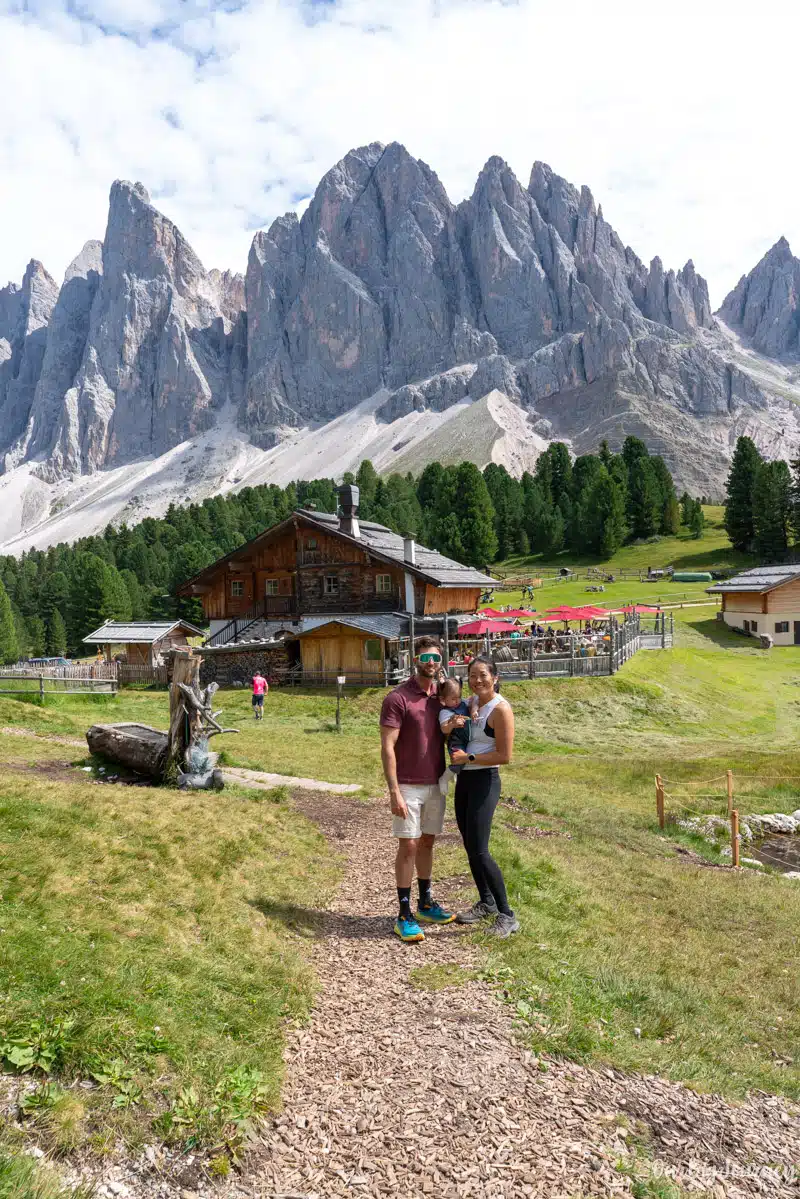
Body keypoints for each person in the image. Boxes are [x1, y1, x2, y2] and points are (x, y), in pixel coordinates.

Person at [380, 636, 456, 943]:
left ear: (442, 661)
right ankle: (403, 913)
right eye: (425, 659)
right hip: (408, 784)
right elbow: (387, 747)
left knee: (427, 842)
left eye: (436, 659)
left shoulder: (443, 696)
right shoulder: (397, 698)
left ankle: (425, 902)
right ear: (415, 661)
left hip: (435, 783)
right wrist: (393, 791)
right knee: (408, 845)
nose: (431, 664)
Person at [449, 656, 519, 937]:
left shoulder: (501, 710)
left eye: (483, 675)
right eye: (472, 675)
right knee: (469, 845)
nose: (478, 680)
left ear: (495, 677)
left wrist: (470, 756)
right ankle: (486, 902)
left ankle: (507, 914)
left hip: (485, 780)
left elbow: (505, 755)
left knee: (480, 849)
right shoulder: (474, 702)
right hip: (465, 779)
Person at [437, 677, 475, 776]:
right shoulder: (445, 712)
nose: (457, 701)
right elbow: (444, 729)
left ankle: (456, 774)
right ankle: (447, 775)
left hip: (468, 738)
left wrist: (474, 707)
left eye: (459, 696)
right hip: (456, 741)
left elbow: (473, 701)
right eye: (453, 699)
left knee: (469, 759)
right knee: (459, 760)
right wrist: (452, 724)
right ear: (443, 699)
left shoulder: (463, 703)